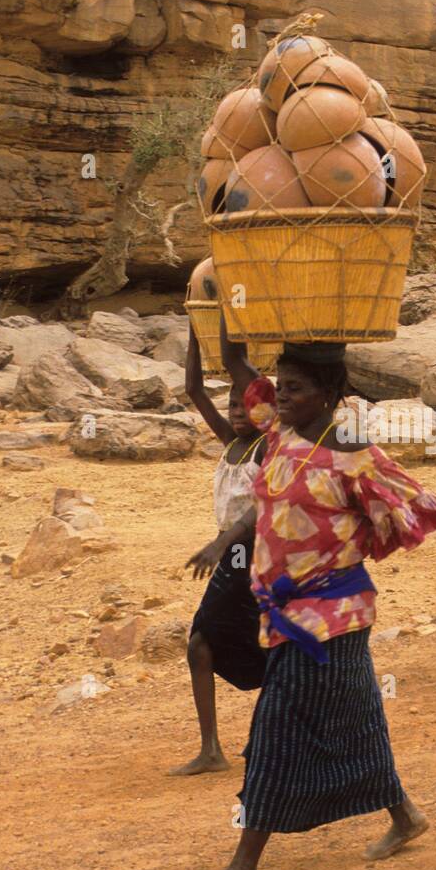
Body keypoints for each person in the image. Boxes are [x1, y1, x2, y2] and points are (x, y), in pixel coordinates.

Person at [194, 340, 436, 870]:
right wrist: (220, 308)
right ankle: (405, 815)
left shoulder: (353, 454)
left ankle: (244, 867)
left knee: (275, 729)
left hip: (331, 618)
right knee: (355, 720)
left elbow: (428, 505)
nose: (282, 395)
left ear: (329, 394)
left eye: (296, 387)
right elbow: (238, 376)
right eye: (281, 386)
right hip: (284, 615)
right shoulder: (280, 436)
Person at [175, 327, 268, 775]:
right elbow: (193, 388)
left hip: (249, 557)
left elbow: (259, 514)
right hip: (228, 557)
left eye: (245, 406)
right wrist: (196, 328)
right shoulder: (232, 443)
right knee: (208, 644)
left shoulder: (266, 448)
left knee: (200, 642)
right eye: (232, 405)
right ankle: (215, 746)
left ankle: (216, 749)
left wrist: (221, 546)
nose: (235, 412)